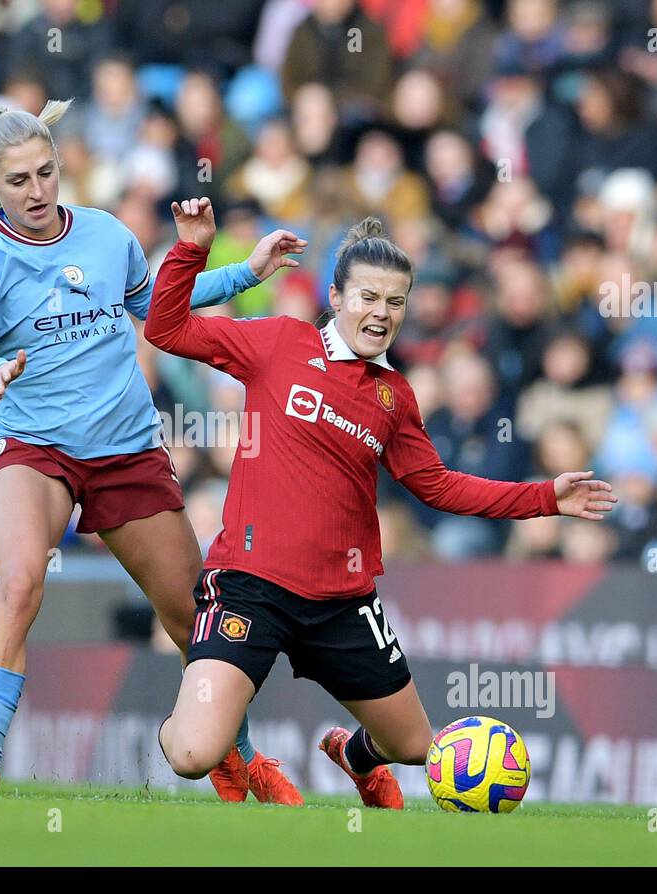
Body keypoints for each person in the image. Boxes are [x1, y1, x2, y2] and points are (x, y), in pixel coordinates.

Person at [148, 200, 616, 808]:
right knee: (192, 755)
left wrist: (546, 497)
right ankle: (215, 742)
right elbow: (165, 328)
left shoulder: (394, 397)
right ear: (336, 295)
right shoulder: (279, 343)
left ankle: (356, 755)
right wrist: (192, 249)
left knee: (420, 746)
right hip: (250, 587)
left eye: (395, 302)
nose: (381, 314)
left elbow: (440, 486)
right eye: (368, 297)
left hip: (341, 603)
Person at [0, 99, 308, 802]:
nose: (38, 190)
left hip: (124, 448)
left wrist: (248, 273)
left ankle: (238, 757)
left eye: (47, 172)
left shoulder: (107, 236)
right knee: (19, 584)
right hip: (34, 444)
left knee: (193, 613)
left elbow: (162, 306)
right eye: (18, 181)